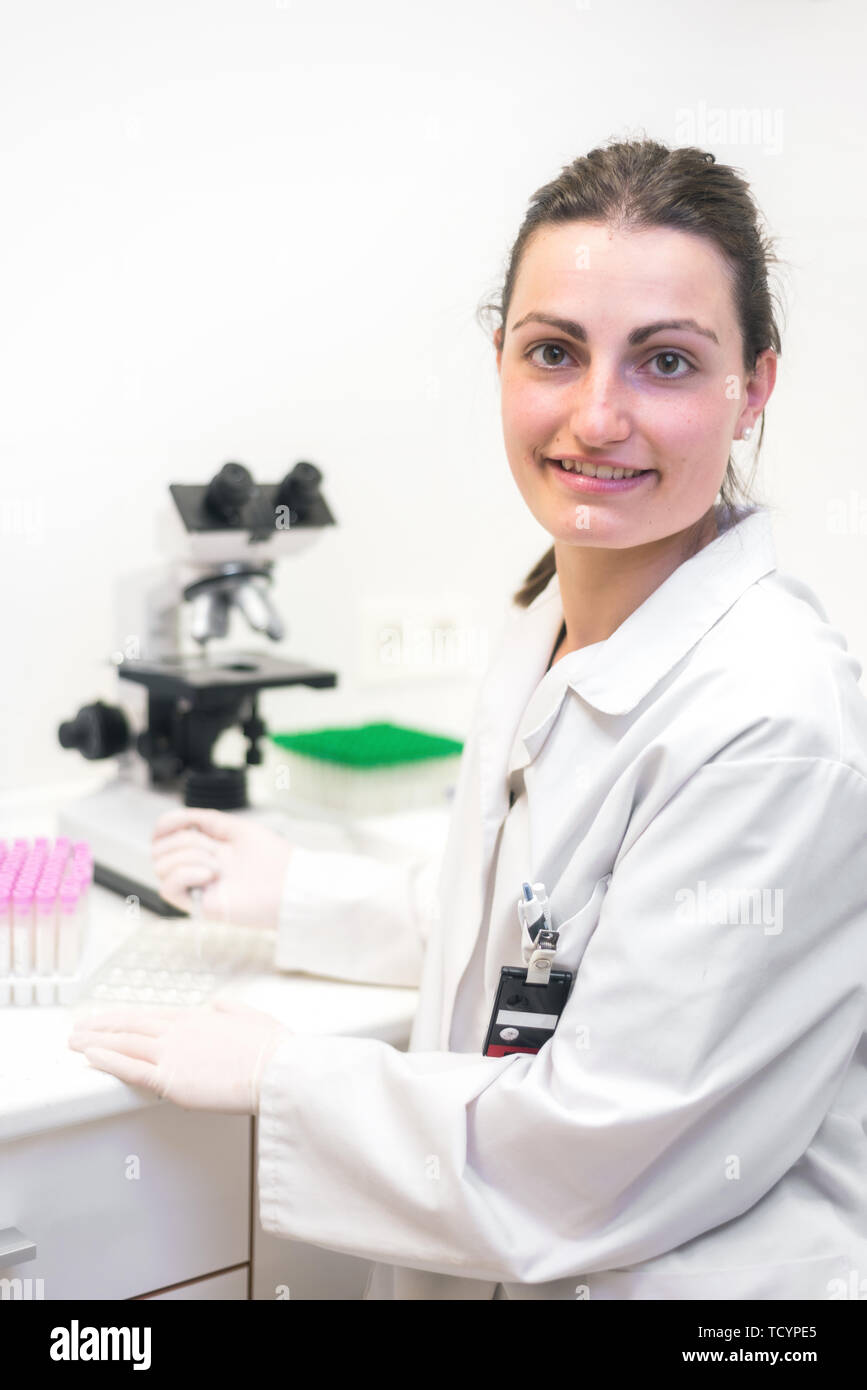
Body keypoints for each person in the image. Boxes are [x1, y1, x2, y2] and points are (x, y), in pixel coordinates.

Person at [69, 137, 867, 1301]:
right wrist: (298, 895)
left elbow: (601, 1146)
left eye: (666, 362)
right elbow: (536, 932)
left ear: (756, 388)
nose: (597, 417)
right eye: (555, 351)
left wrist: (287, 1077)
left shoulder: (773, 724)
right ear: (499, 357)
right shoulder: (550, 614)